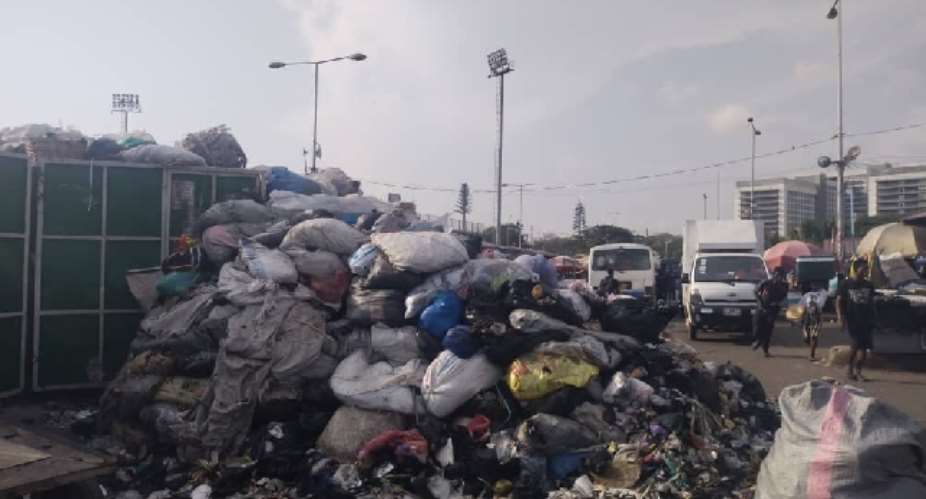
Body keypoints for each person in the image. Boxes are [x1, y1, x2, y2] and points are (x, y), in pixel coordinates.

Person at [837, 258, 877, 381]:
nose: (866, 271)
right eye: (863, 268)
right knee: (855, 344)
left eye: (867, 268)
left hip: (867, 319)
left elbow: (872, 302)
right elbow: (839, 301)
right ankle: (849, 368)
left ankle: (858, 371)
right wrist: (840, 317)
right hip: (853, 319)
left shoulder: (869, 285)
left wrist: (874, 318)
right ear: (856, 268)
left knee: (864, 347)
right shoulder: (846, 284)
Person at [752, 267, 789, 357]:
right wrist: (760, 302)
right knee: (756, 326)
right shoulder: (765, 282)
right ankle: (758, 340)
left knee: (768, 330)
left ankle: (765, 350)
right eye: (777, 274)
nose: (778, 277)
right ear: (774, 274)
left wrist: (778, 284)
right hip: (761, 307)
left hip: (772, 309)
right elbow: (756, 291)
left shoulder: (784, 285)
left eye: (780, 275)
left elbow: (783, 296)